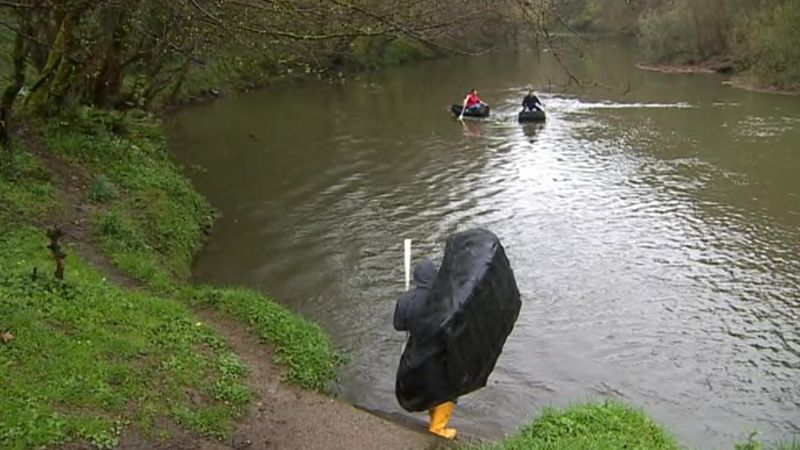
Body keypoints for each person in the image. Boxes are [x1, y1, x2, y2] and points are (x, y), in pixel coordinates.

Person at [394, 259, 458, 440]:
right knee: (448, 390)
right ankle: (438, 428)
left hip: (414, 352)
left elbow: (398, 325)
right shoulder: (445, 298)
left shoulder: (405, 300)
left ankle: (434, 421)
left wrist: (406, 304)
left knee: (427, 386)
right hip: (438, 352)